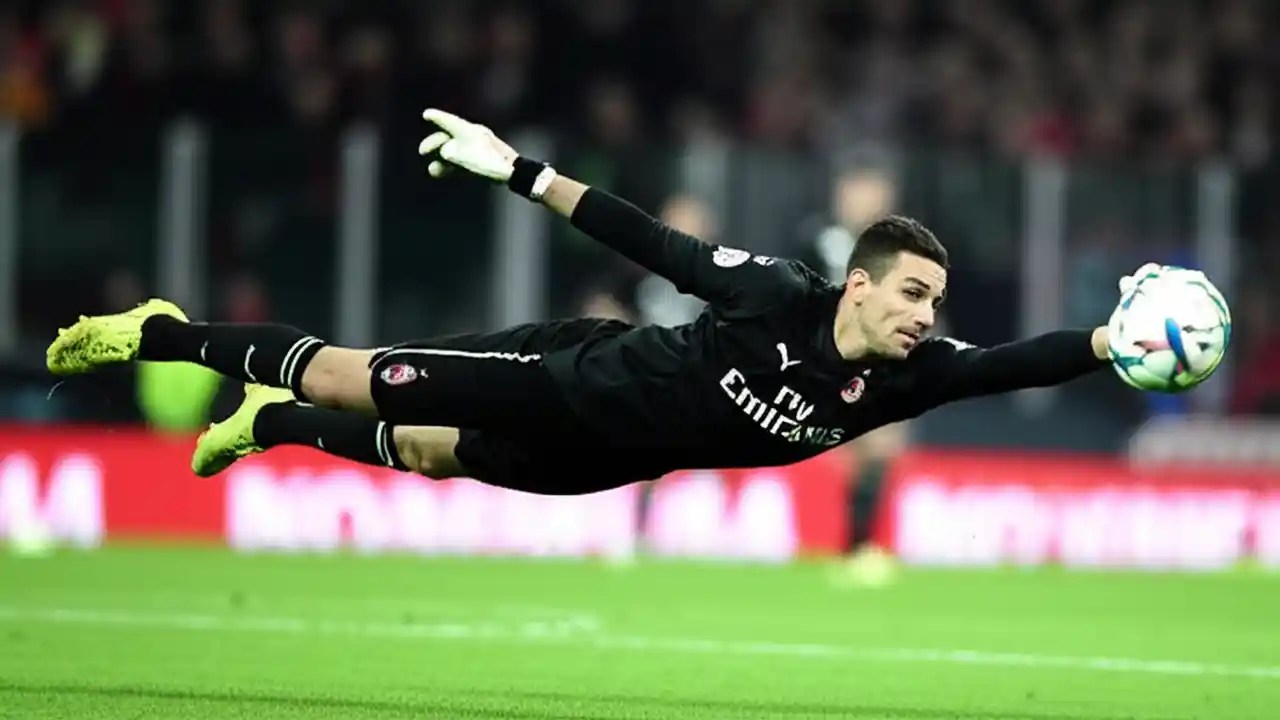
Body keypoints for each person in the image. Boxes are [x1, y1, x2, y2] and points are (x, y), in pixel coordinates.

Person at [46, 109, 1116, 495]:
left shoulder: (912, 378)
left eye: (936, 300)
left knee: (422, 455)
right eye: (912, 294)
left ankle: (272, 423)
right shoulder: (774, 294)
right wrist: (516, 169)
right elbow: (646, 236)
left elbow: (1016, 361)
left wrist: (1108, 341)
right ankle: (162, 333)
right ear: (860, 283)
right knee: (353, 377)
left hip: (604, 459)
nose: (926, 315)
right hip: (573, 375)